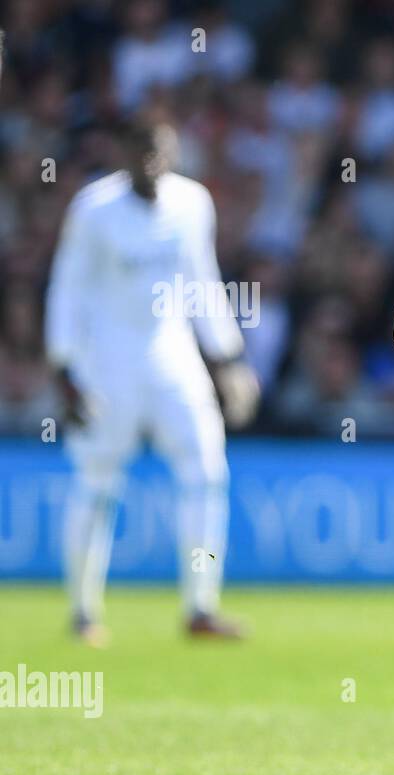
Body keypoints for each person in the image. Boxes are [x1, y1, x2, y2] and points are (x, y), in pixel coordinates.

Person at [45, 120, 259, 645]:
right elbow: (67, 287)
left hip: (173, 359)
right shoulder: (94, 209)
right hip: (107, 364)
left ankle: (200, 606)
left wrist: (228, 358)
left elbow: (203, 284)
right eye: (141, 152)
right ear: (122, 153)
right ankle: (83, 612)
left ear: (173, 153)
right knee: (97, 483)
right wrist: (64, 367)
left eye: (159, 153)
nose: (150, 163)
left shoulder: (192, 203)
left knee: (207, 471)